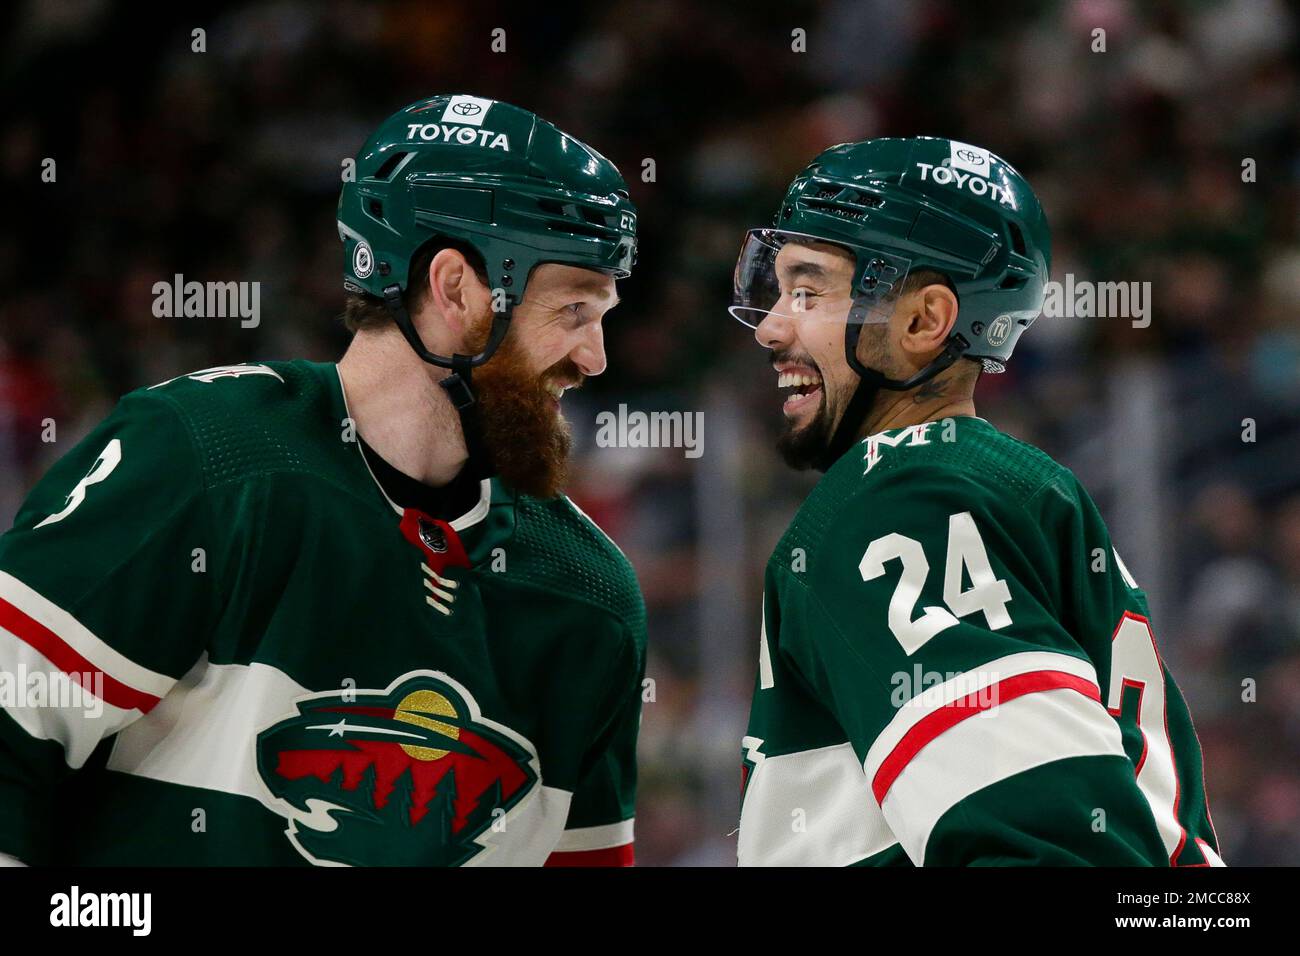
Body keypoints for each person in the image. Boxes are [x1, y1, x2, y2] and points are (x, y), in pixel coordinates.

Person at [0, 94, 645, 867]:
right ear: (455, 288)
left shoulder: (589, 596)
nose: (595, 357)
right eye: (573, 309)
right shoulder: (202, 460)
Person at [731, 136, 1222, 866]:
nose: (773, 325)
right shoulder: (1005, 482)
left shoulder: (902, 498)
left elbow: (1048, 848)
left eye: (808, 290)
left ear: (925, 320)